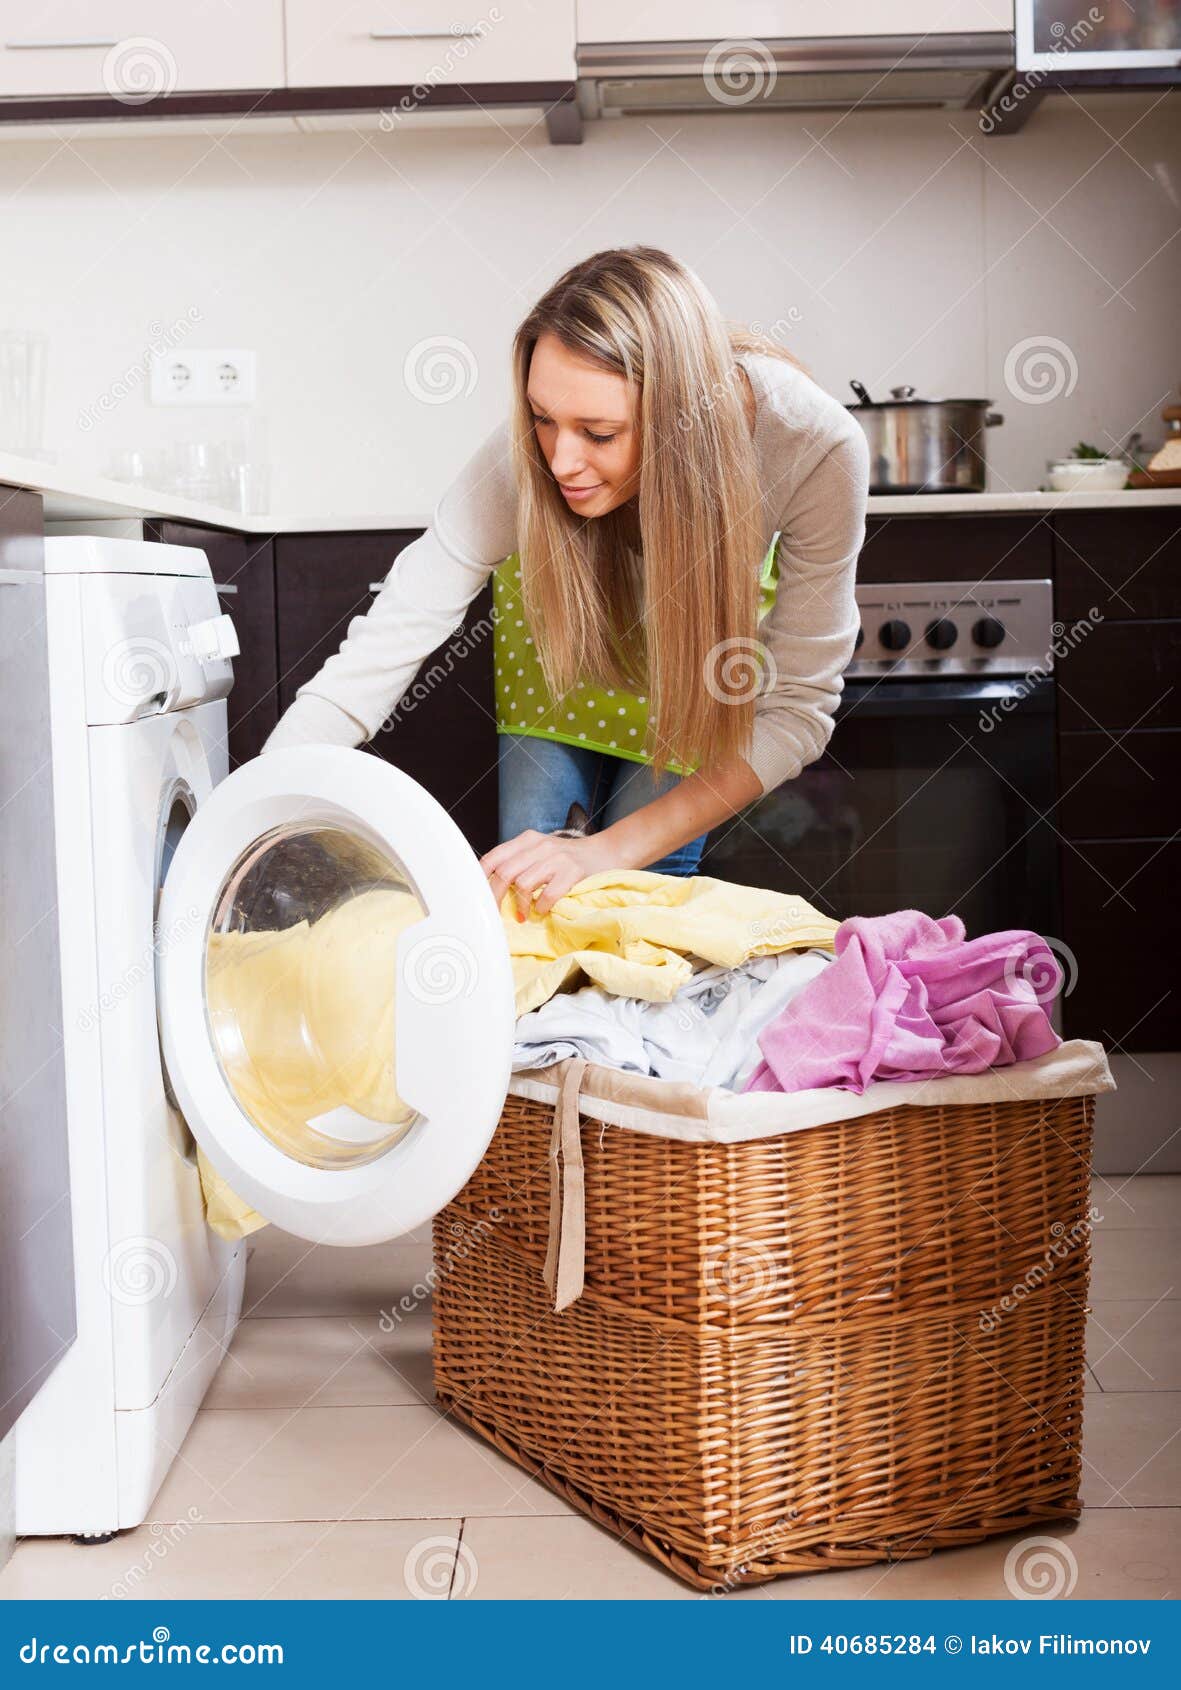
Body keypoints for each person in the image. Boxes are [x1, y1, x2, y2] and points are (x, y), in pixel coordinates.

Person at [264, 246, 869, 918]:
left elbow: (795, 714)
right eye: (543, 419)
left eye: (599, 433)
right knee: (533, 893)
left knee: (639, 892)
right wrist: (259, 806)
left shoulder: (814, 445)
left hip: (695, 667)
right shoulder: (535, 449)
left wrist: (605, 851)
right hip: (564, 647)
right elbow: (398, 624)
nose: (559, 461)